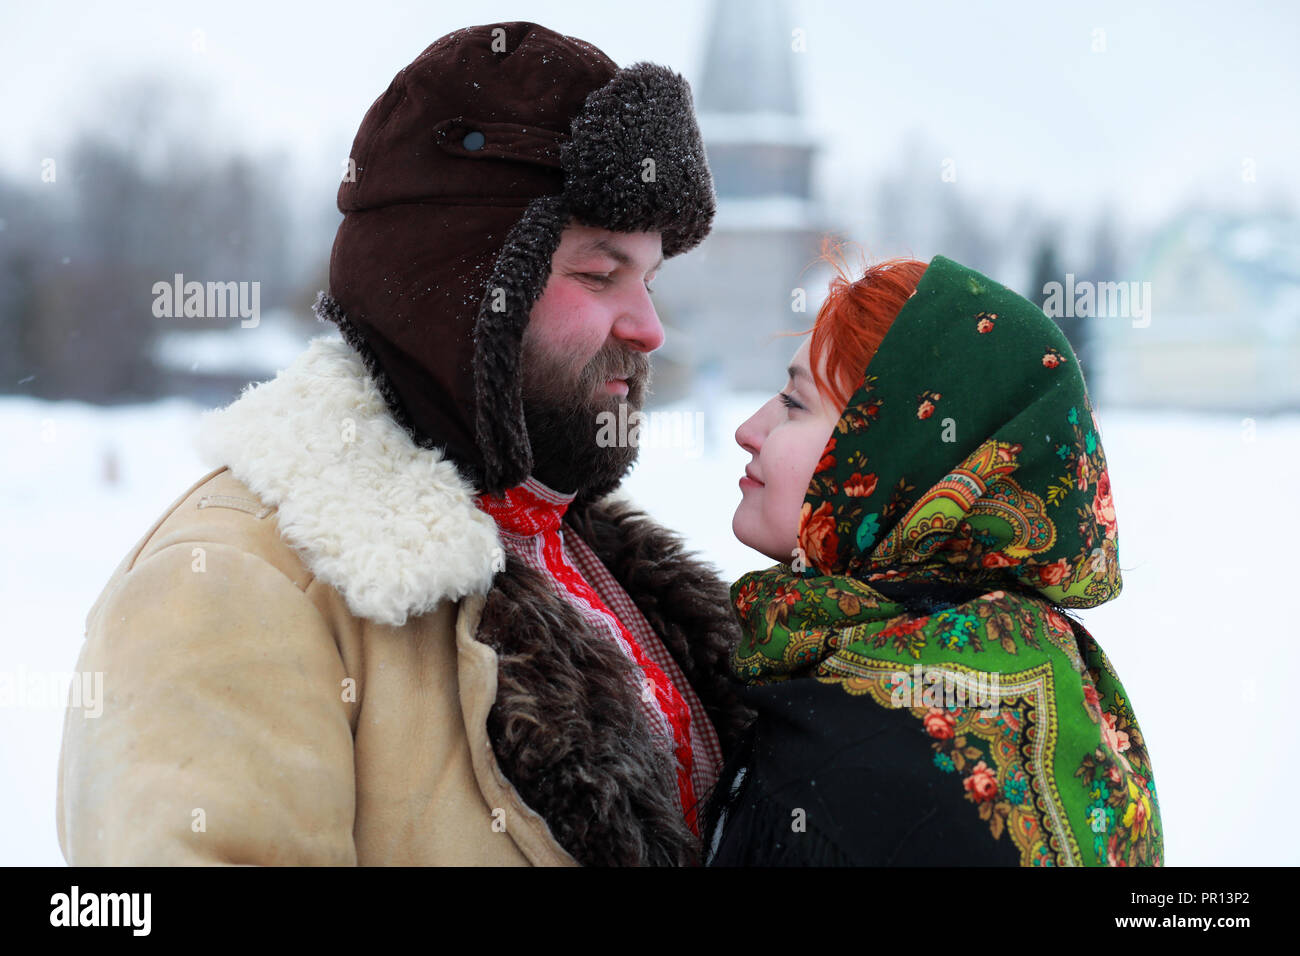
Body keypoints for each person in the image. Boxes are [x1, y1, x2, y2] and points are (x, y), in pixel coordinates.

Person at [55, 21, 752, 867]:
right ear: (462, 290)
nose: (648, 328)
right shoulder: (231, 583)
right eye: (599, 275)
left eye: (651, 279)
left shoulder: (569, 551)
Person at [705, 248, 1164, 866]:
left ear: (899, 456)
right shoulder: (1044, 664)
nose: (748, 429)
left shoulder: (858, 764)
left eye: (794, 403)